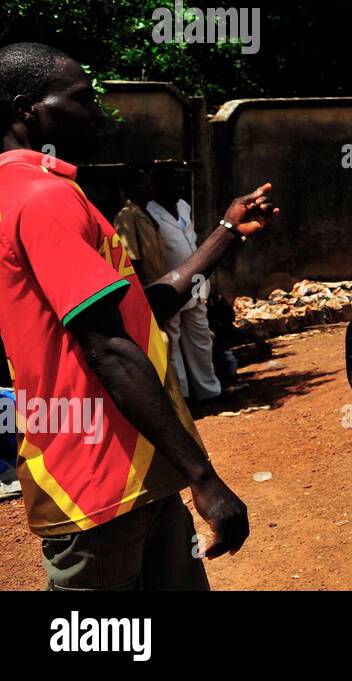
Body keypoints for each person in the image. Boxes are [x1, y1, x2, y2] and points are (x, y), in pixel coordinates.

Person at [0, 41, 278, 590]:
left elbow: (132, 315)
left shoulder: (34, 193)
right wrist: (204, 478)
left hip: (136, 469)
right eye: (80, 100)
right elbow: (106, 345)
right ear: (29, 108)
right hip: (98, 481)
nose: (97, 114)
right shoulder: (41, 199)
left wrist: (224, 234)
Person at [147, 164, 223, 403]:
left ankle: (209, 391)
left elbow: (193, 242)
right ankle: (183, 396)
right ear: (158, 188)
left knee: (201, 339)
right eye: (172, 184)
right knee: (173, 342)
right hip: (171, 286)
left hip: (197, 285)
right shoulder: (149, 212)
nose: (178, 188)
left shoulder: (183, 207)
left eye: (179, 183)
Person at [113, 166, 168, 285]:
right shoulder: (126, 215)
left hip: (159, 283)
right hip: (146, 289)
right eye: (146, 184)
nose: (152, 188)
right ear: (134, 188)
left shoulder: (147, 213)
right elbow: (131, 260)